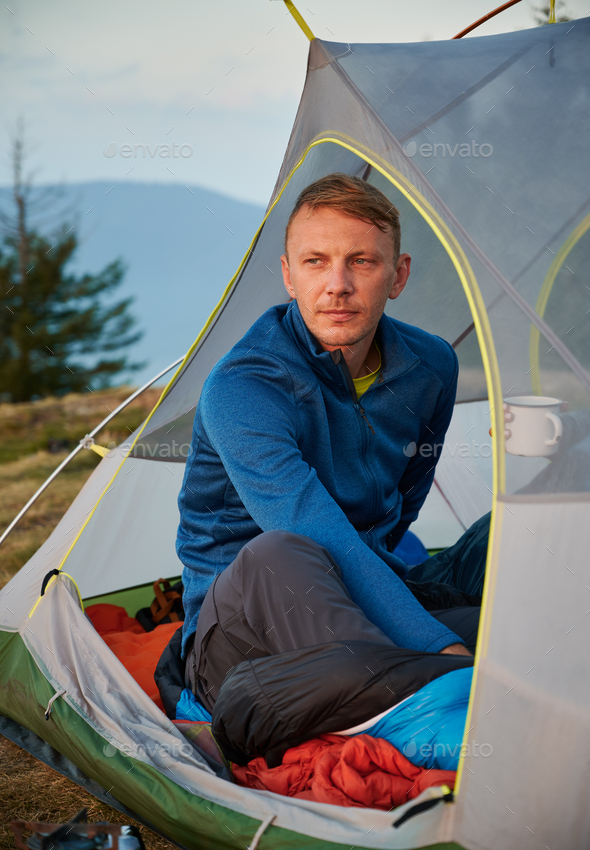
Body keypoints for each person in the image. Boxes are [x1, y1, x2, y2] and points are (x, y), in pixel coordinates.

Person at [176, 173, 483, 715]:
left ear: (398, 275)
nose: (337, 284)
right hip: (242, 636)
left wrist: (414, 622)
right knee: (280, 553)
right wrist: (442, 646)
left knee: (500, 547)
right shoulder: (243, 386)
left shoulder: (431, 365)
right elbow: (309, 529)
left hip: (360, 595)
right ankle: (445, 682)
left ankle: (430, 681)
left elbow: (403, 501)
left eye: (361, 261)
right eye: (316, 261)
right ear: (289, 276)